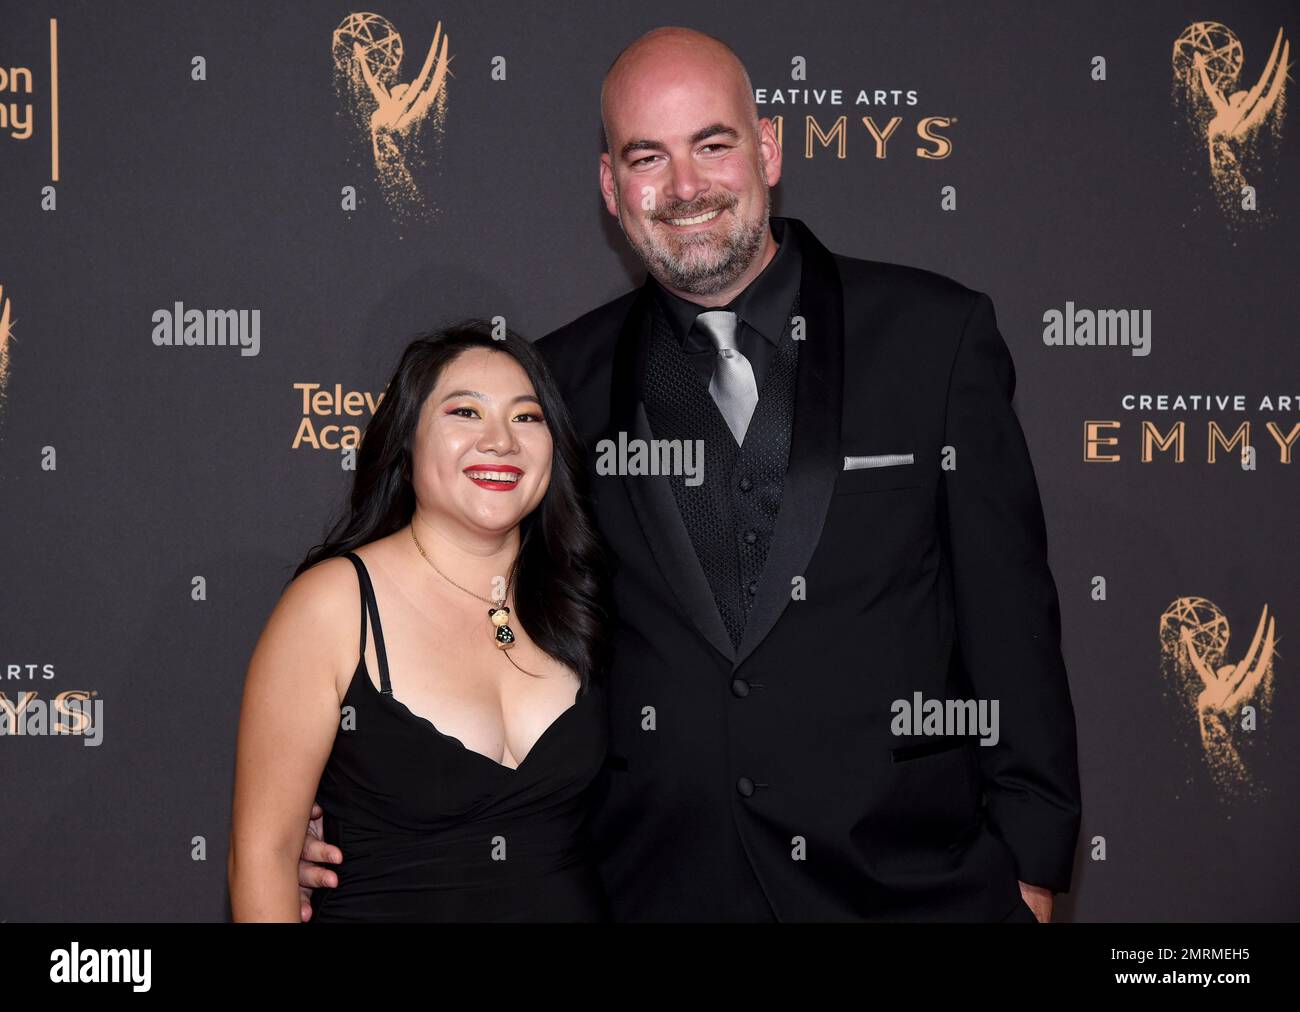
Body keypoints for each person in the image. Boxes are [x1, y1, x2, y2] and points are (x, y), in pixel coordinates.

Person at [302, 26, 1082, 922]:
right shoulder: (554, 388)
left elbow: (1013, 621)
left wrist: (1033, 870)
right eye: (648, 157)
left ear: (769, 148)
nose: (684, 188)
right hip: (652, 895)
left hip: (911, 889)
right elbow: (441, 597)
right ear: (610, 186)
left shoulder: (933, 338)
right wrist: (336, 816)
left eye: (713, 144)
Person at [229, 321, 611, 921]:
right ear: (405, 443)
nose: (501, 442)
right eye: (465, 413)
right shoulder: (333, 605)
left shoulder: (584, 598)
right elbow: (264, 857)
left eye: (527, 417)